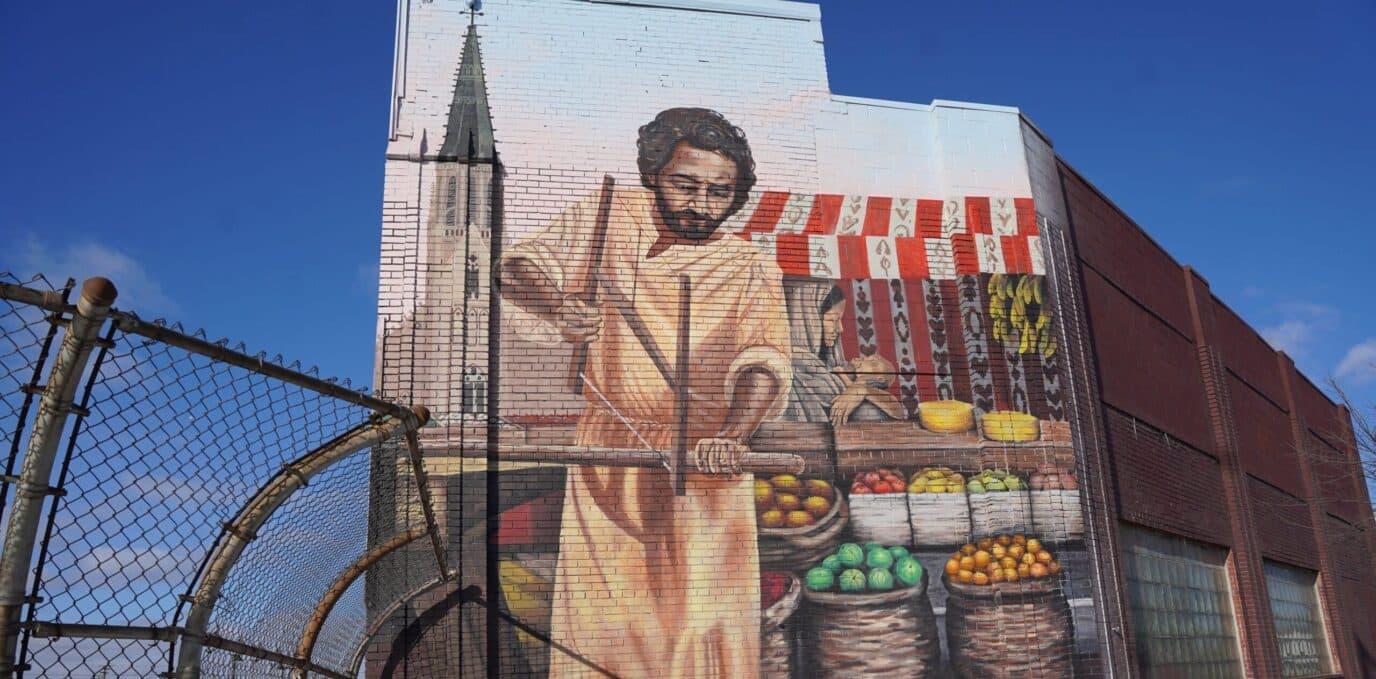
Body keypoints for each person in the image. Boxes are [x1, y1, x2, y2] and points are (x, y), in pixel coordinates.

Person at [500, 107, 792, 679]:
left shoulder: (751, 267)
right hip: (608, 452)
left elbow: (763, 360)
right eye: (685, 185)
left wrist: (732, 437)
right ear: (655, 173)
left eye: (719, 193)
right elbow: (515, 269)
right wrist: (556, 305)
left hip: (706, 462)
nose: (700, 205)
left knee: (705, 624)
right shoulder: (606, 216)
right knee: (607, 621)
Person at [780, 282, 905, 427]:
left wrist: (862, 389)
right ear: (810, 319)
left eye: (839, 319)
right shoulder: (792, 364)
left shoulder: (837, 366)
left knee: (870, 411)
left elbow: (896, 410)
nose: (840, 328)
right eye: (833, 319)